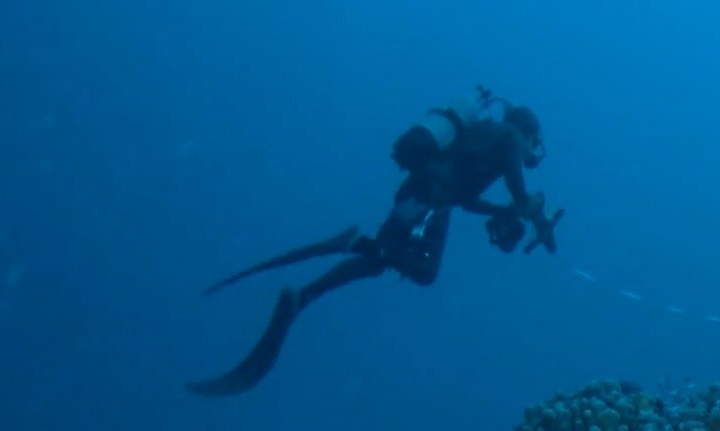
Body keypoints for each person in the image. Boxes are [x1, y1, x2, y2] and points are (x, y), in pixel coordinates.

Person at [189, 87, 563, 396]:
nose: (532, 150)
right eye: (535, 142)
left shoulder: (481, 135)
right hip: (431, 200)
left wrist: (502, 208)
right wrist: (526, 207)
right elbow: (516, 185)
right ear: (527, 132)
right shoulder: (509, 138)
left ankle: (305, 296)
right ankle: (355, 245)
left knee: (379, 261)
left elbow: (466, 198)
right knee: (423, 271)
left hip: (416, 192)